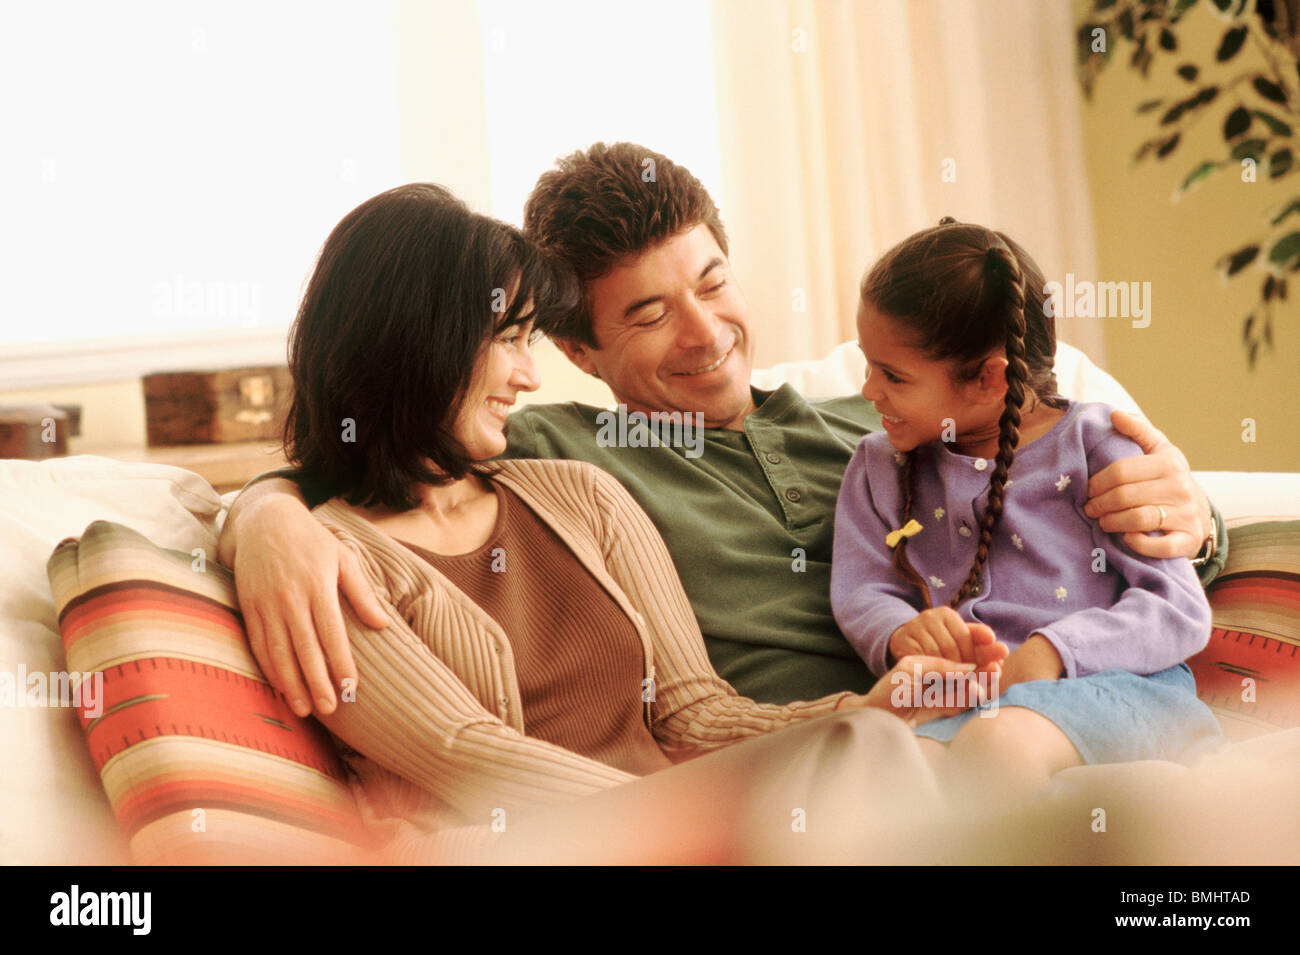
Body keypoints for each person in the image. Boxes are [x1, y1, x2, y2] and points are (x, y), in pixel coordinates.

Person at [217, 142, 1225, 717]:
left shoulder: (885, 421)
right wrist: (266, 517)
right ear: (577, 351)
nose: (705, 335)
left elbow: (1083, 521)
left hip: (1009, 703)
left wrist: (1188, 509)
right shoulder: (565, 459)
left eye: (711, 284)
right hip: (817, 753)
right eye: (648, 315)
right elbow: (365, 455)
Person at [280, 182, 1000, 860]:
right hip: (527, 848)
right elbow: (468, 753)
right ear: (416, 346)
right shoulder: (331, 558)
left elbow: (695, 715)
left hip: (674, 826)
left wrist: (872, 706)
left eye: (713, 284)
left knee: (867, 744)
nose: (527, 379)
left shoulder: (580, 494)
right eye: (507, 341)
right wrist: (701, 820)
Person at [831, 218, 1221, 797]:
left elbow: (1177, 609)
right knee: (896, 773)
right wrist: (905, 633)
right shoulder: (878, 465)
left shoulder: (1096, 448)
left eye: (892, 375)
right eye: (868, 365)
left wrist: (1053, 652)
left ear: (992, 379)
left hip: (1119, 689)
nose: (869, 391)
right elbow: (863, 587)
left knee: (997, 746)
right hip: (973, 699)